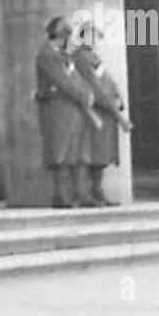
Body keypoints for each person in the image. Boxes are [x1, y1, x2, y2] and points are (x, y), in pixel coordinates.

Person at [34, 14, 101, 208]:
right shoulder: (47, 54)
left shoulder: (64, 56)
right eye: (66, 36)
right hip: (56, 107)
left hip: (72, 108)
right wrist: (83, 96)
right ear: (60, 36)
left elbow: (76, 79)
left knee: (76, 152)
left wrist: (87, 93)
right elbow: (62, 82)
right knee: (61, 153)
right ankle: (61, 196)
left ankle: (81, 194)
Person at [70, 14, 132, 206]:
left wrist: (118, 97)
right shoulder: (80, 58)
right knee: (89, 155)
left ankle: (98, 192)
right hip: (93, 111)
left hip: (105, 111)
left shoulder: (94, 57)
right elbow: (94, 86)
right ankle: (85, 194)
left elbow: (108, 82)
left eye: (95, 36)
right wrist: (116, 111)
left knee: (101, 156)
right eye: (90, 36)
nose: (94, 40)